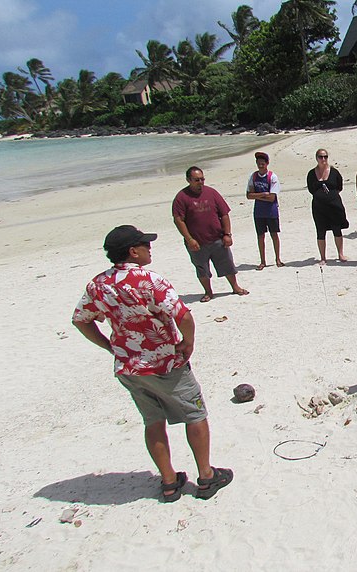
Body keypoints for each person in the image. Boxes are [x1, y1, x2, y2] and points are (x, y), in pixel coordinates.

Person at [72, 225, 233, 502]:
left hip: (130, 368)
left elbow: (81, 320)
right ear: (133, 252)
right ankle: (206, 477)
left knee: (153, 421)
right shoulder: (149, 280)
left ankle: (169, 482)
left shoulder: (98, 284)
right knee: (195, 415)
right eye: (145, 245)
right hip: (165, 364)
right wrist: (188, 343)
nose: (149, 248)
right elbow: (183, 316)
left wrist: (110, 346)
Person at [173, 166, 248, 303]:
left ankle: (235, 287)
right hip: (196, 243)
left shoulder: (212, 193)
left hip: (217, 239)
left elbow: (224, 214)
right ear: (188, 180)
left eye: (202, 179)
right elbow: (178, 220)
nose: (200, 182)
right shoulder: (181, 197)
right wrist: (189, 239)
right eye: (196, 180)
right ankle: (208, 292)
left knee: (227, 264)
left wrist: (227, 234)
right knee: (202, 269)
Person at [306, 148, 349, 265]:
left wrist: (331, 196)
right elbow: (311, 189)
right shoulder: (311, 174)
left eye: (325, 156)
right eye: (320, 157)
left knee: (337, 229)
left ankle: (340, 254)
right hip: (318, 207)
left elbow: (339, 187)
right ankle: (323, 257)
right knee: (320, 231)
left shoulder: (334, 172)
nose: (323, 159)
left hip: (334, 206)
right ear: (316, 158)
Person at [246, 151, 284, 270]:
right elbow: (248, 195)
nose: (260, 165)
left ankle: (278, 259)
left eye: (263, 163)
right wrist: (263, 194)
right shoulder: (253, 177)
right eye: (259, 163)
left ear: (267, 163)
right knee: (260, 236)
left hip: (271, 211)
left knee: (274, 235)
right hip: (259, 212)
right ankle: (263, 261)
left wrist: (256, 195)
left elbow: (272, 197)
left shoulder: (272, 177)